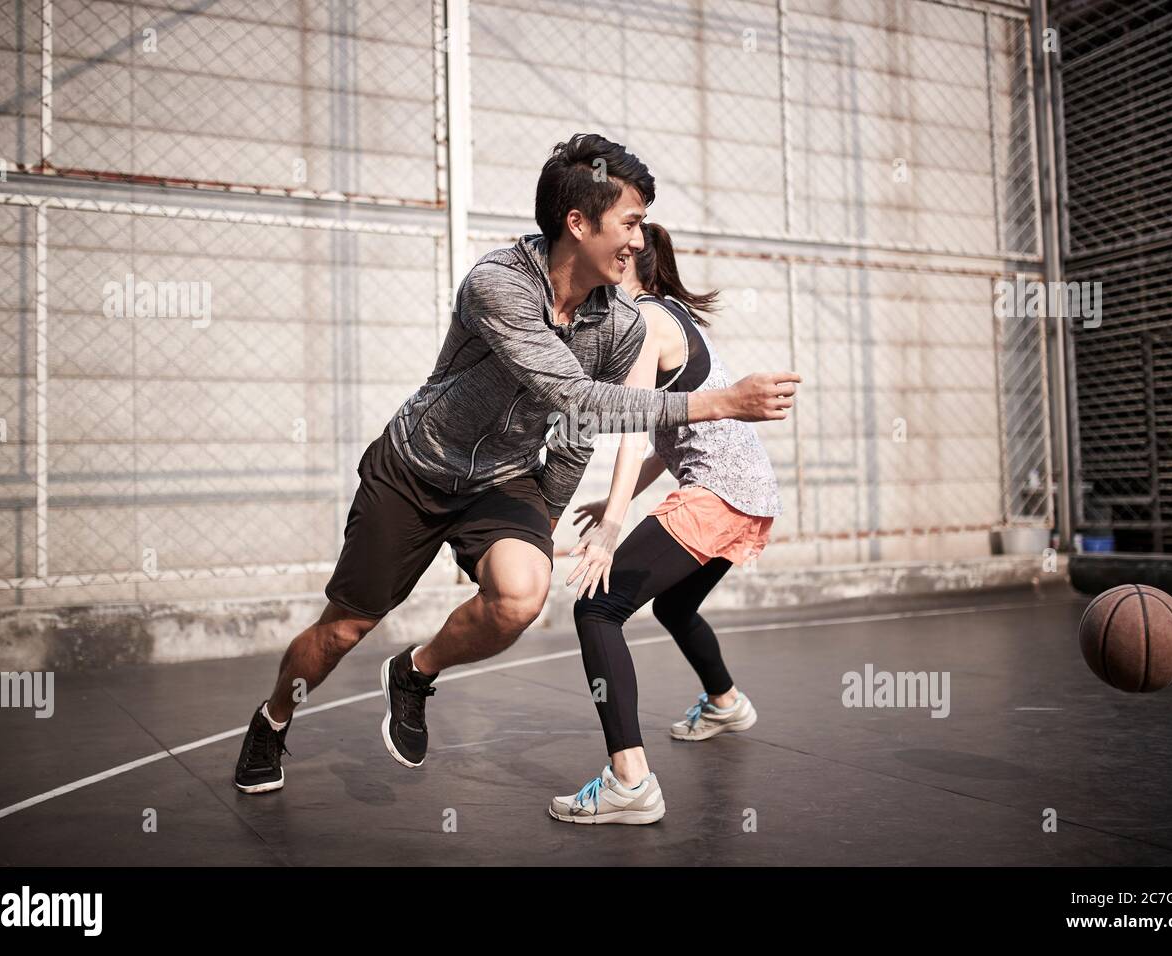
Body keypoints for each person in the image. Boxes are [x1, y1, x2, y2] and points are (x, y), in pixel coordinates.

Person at [233, 135, 800, 793]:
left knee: (522, 594)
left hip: (502, 478)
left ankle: (415, 672)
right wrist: (720, 402)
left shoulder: (621, 326)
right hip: (415, 468)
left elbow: (579, 429)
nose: (640, 243)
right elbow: (574, 394)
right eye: (631, 223)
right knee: (343, 631)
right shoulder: (498, 285)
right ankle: (272, 721)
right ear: (578, 222)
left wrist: (543, 525)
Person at [549, 222, 783, 824]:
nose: (607, 265)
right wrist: (612, 503)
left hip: (716, 494)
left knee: (598, 609)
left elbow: (629, 428)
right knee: (674, 607)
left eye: (619, 255)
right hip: (749, 495)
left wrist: (612, 529)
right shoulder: (671, 315)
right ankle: (725, 701)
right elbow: (669, 436)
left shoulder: (646, 321)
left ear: (634, 267)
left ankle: (629, 783)